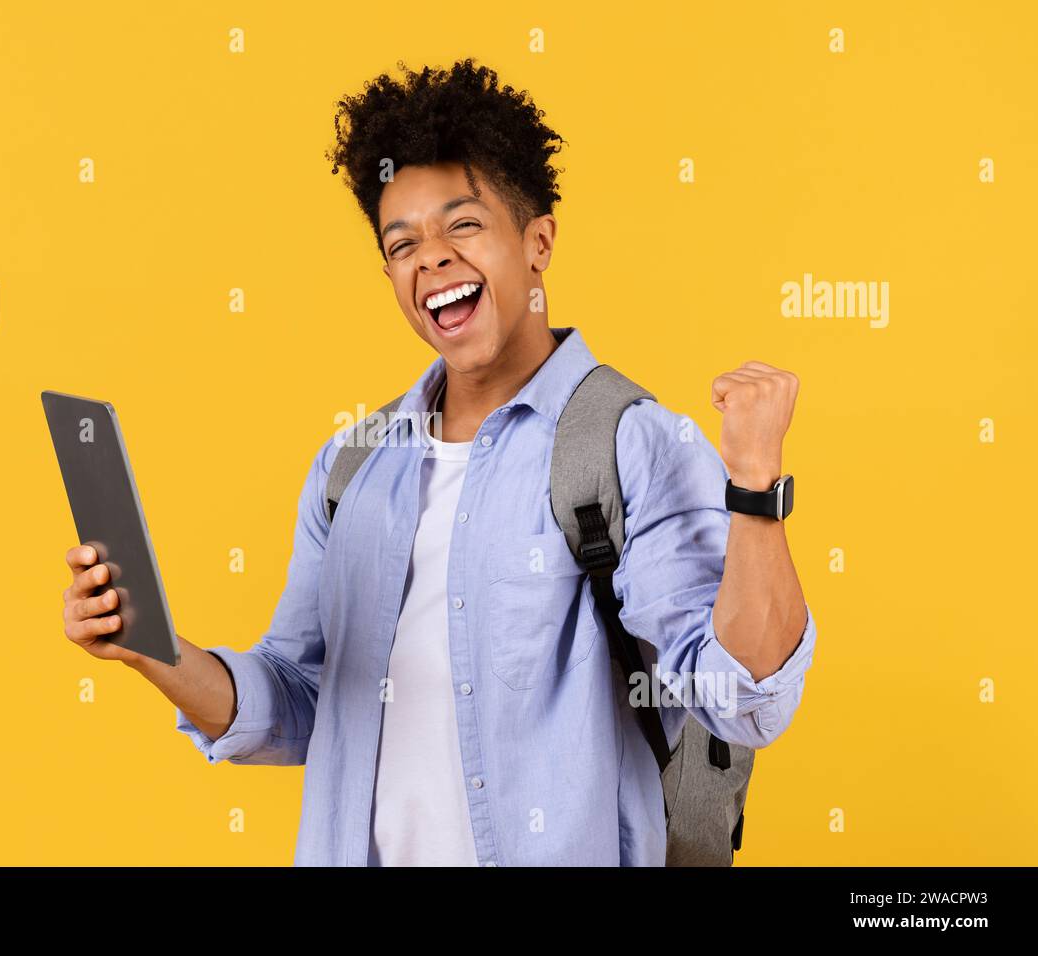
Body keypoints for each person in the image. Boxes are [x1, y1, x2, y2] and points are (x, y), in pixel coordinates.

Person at [60, 59, 816, 866]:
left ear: (538, 242)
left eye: (463, 226)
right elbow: (302, 699)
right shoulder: (353, 468)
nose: (432, 260)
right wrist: (156, 651)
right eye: (403, 243)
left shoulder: (631, 445)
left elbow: (745, 699)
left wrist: (755, 490)